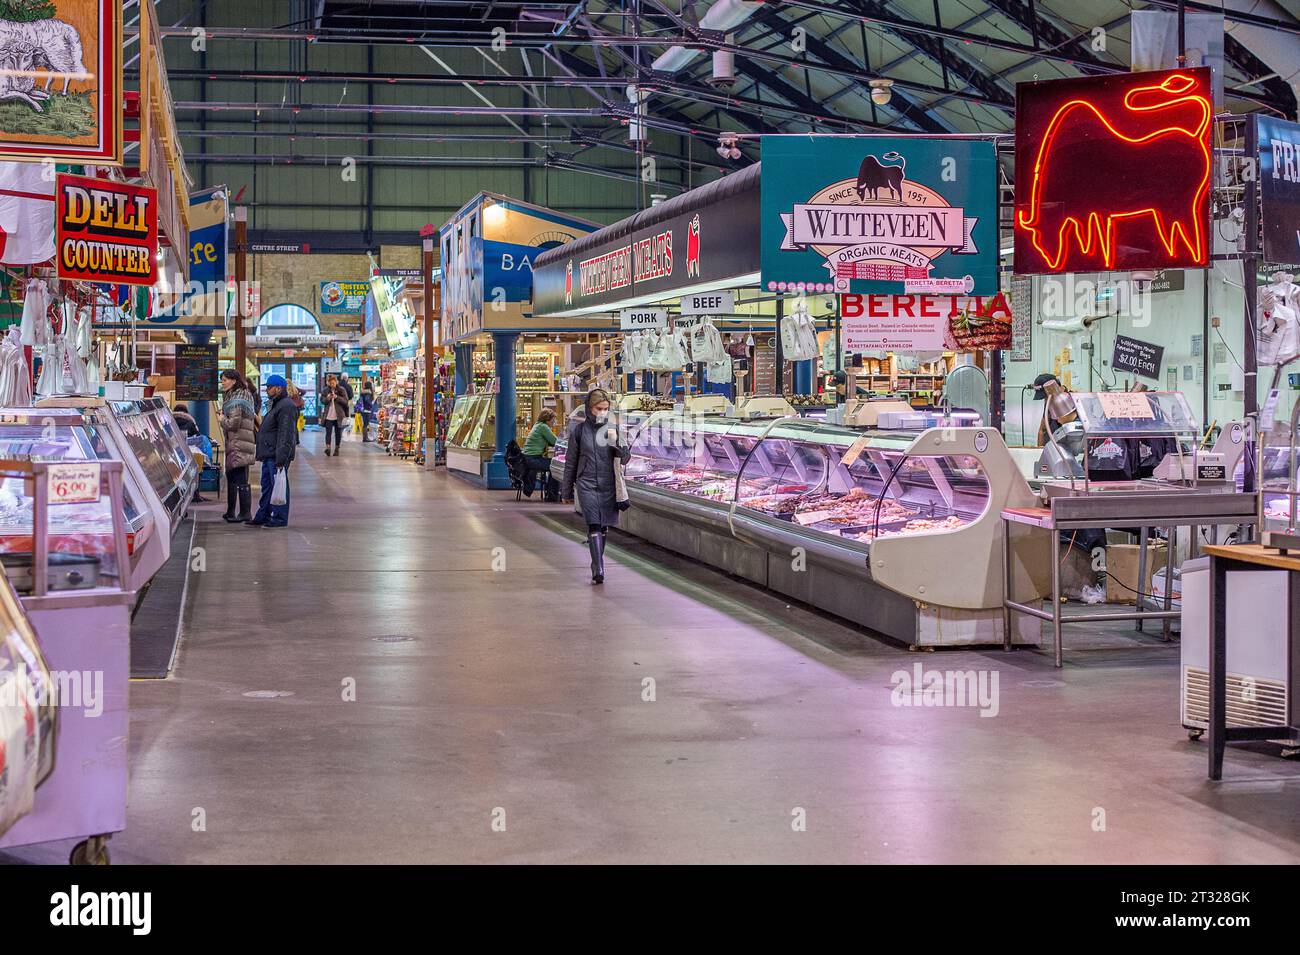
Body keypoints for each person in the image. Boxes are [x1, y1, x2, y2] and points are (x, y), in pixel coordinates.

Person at [561, 389, 630, 584]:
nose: (602, 413)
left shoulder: (612, 429)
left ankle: (597, 561)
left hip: (608, 484)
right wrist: (566, 490)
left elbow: (625, 458)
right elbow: (571, 461)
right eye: (599, 409)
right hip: (587, 483)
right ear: (589, 409)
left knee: (603, 525)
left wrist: (619, 448)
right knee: (593, 523)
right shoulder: (579, 431)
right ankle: (598, 566)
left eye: (606, 409)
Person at [248, 374, 298, 528]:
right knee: (268, 486)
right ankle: (263, 514)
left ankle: (279, 517)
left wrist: (281, 458)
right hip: (269, 453)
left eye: (269, 387)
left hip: (276, 455)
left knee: (279, 486)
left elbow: (286, 433)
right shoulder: (276, 404)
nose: (267, 390)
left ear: (279, 388)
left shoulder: (286, 406)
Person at [218, 370, 257, 523]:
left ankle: (245, 513)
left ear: (234, 381)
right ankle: (231, 511)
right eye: (222, 380)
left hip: (239, 443)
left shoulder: (237, 399)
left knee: (239, 477)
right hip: (238, 441)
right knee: (233, 476)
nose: (223, 383)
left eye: (225, 380)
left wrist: (222, 418)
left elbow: (233, 424)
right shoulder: (238, 395)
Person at [520, 408, 559, 499]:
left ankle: (550, 492)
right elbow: (555, 441)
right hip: (532, 459)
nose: (554, 422)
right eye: (553, 419)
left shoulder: (537, 425)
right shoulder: (543, 427)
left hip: (527, 458)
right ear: (547, 419)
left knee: (552, 464)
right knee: (555, 466)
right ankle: (552, 495)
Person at [320, 373, 350, 456]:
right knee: (328, 432)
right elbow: (322, 400)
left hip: (339, 415)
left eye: (333, 383)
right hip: (329, 415)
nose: (332, 384)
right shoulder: (325, 390)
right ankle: (328, 448)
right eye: (330, 383)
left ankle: (337, 448)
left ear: (336, 382)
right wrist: (327, 398)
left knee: (338, 433)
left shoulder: (341, 390)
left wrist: (337, 397)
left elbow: (346, 401)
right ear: (328, 383)